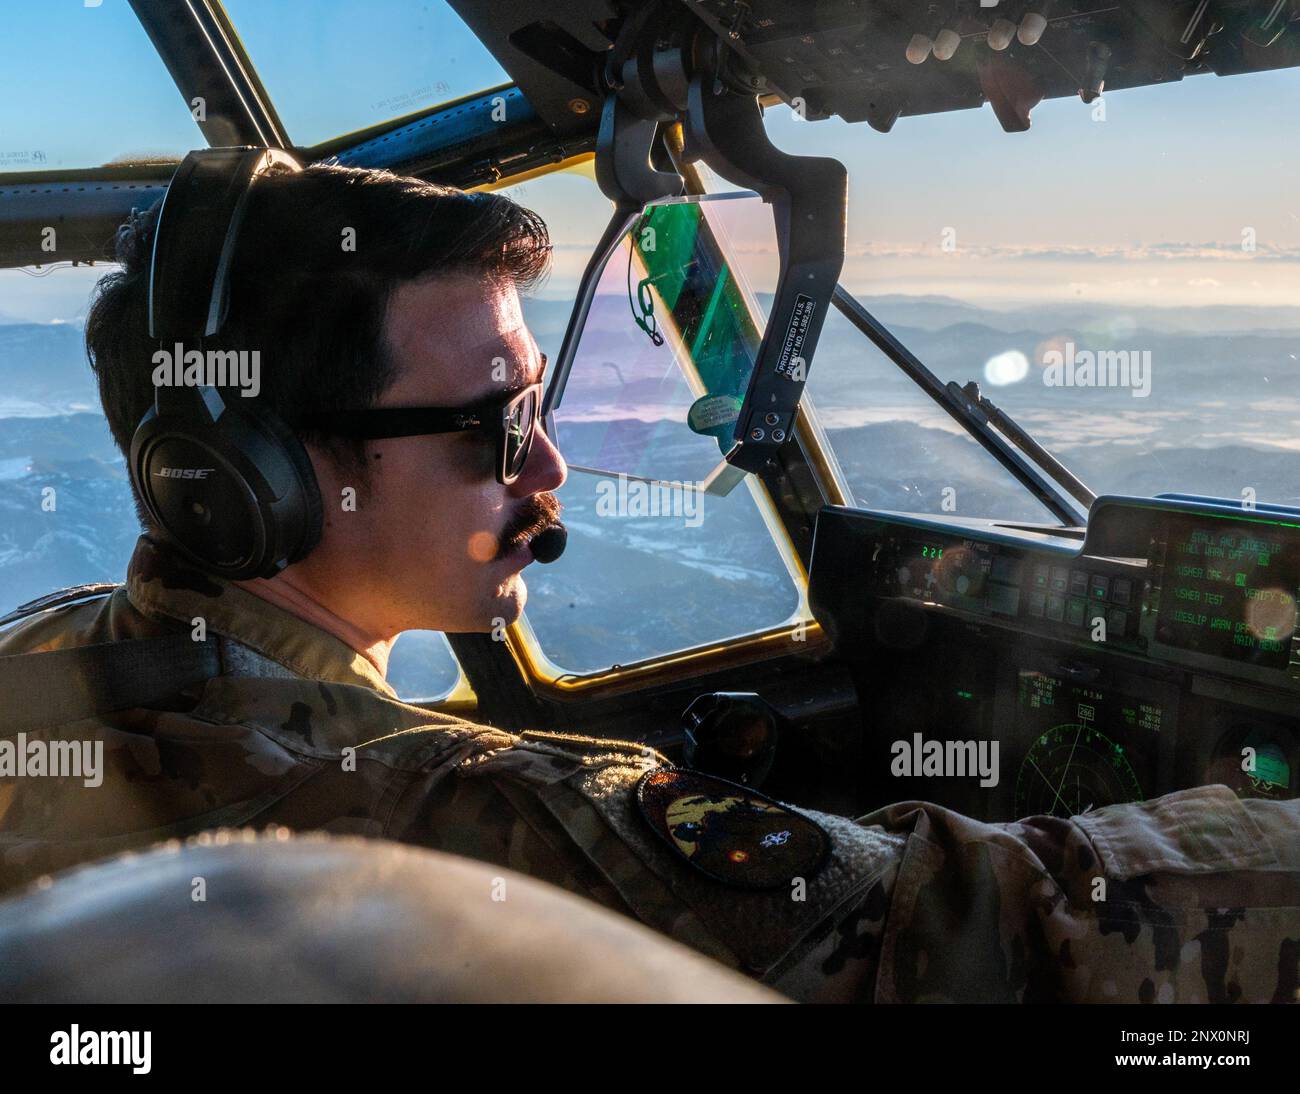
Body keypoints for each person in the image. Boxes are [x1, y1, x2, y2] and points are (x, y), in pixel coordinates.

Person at [0, 163, 1295, 1003]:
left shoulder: (40, 662)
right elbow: (995, 931)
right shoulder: (456, 818)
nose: (550, 461)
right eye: (500, 426)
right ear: (262, 475)